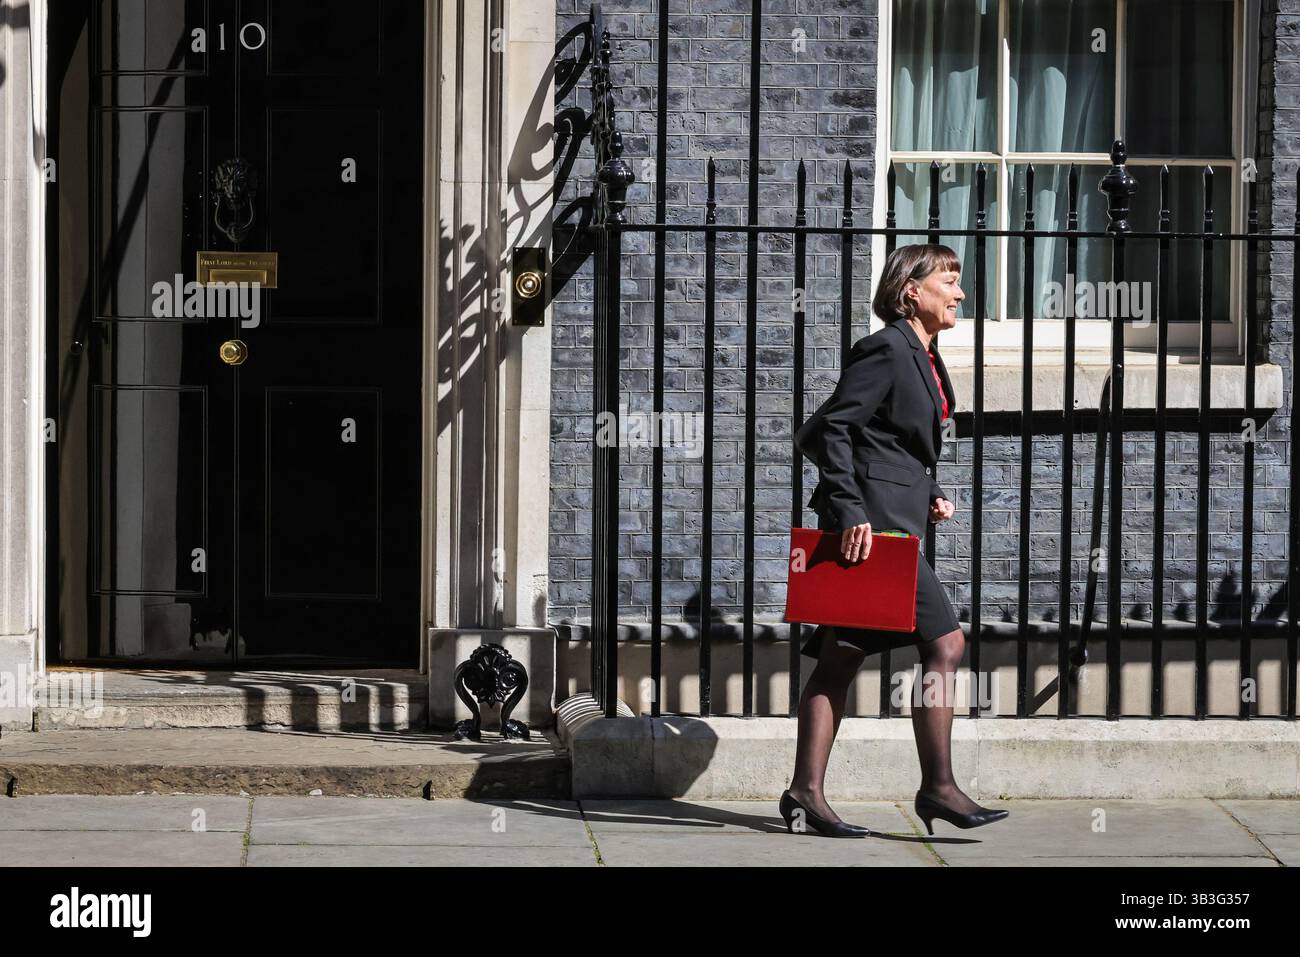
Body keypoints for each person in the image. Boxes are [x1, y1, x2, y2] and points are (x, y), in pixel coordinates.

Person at [779, 243, 1010, 838]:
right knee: (947, 643)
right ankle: (937, 787)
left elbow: (891, 443)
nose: (959, 293)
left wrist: (927, 489)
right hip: (871, 534)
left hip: (896, 524)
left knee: (840, 661)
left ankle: (807, 792)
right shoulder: (885, 349)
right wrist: (850, 508)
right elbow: (829, 428)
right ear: (912, 290)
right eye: (949, 281)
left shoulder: (924, 358)